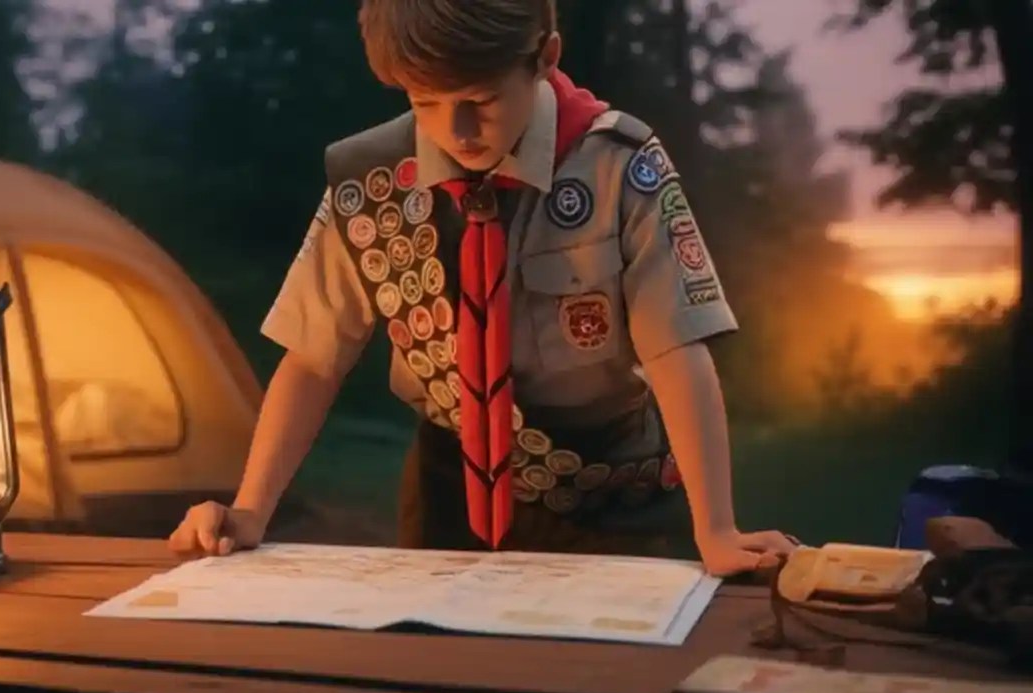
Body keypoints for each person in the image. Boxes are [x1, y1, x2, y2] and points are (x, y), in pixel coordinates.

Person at [168, 0, 798, 576]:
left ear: (545, 58)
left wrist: (716, 530)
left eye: (482, 100)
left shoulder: (619, 165)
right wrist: (251, 511)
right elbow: (312, 358)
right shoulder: (373, 183)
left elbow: (677, 353)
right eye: (424, 103)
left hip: (615, 495)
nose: (457, 130)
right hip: (449, 494)